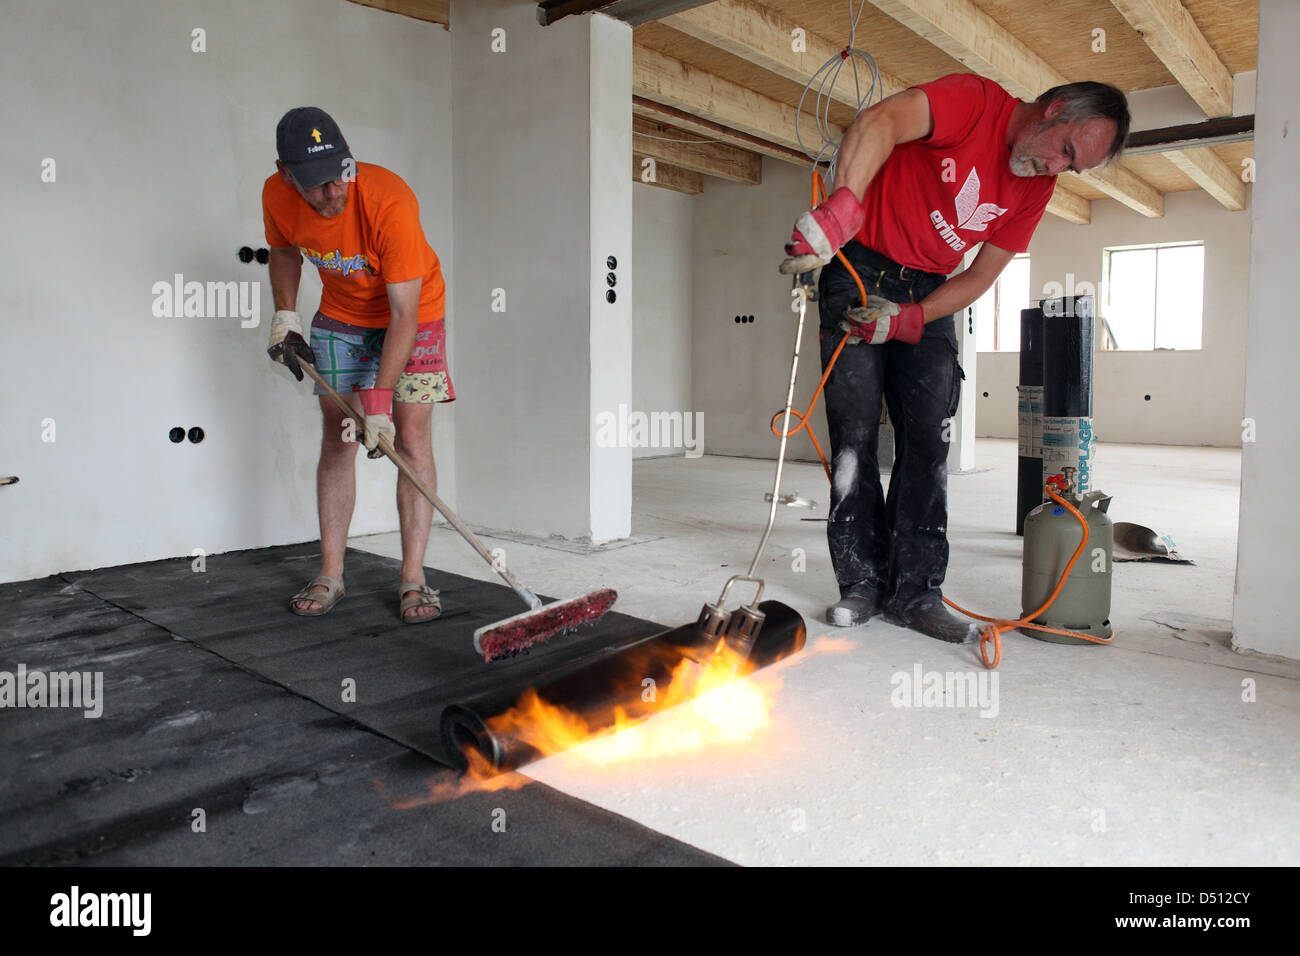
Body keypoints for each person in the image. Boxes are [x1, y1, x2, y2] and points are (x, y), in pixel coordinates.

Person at [779, 75, 1129, 642]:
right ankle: (861, 583)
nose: (1058, 169)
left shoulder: (1035, 189)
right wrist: (844, 206)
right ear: (1054, 109)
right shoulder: (974, 104)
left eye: (1075, 167)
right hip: (859, 267)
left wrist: (913, 317)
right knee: (854, 438)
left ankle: (915, 594)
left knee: (928, 441)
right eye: (1065, 150)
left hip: (932, 289)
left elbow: (982, 274)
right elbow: (879, 123)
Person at [263, 106, 454, 623]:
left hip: (415, 314)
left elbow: (403, 314)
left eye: (339, 177)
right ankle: (331, 572)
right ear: (287, 174)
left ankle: (413, 578)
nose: (333, 194)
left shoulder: (389, 198)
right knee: (339, 434)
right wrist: (286, 314)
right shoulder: (275, 194)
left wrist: (379, 404)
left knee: (409, 438)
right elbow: (283, 252)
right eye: (317, 185)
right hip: (342, 316)